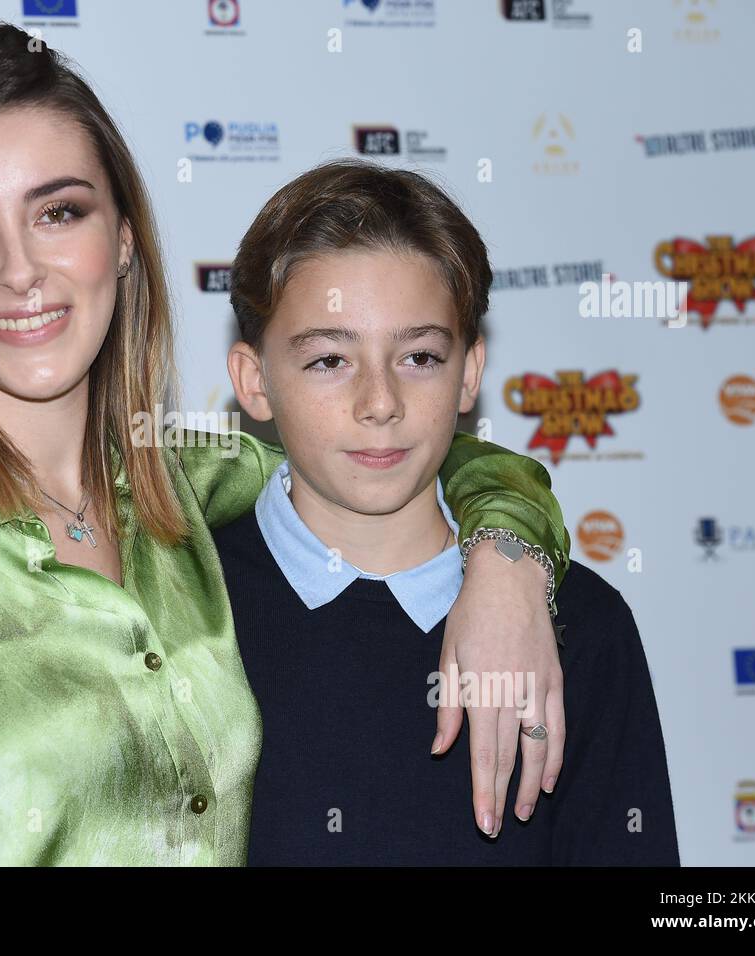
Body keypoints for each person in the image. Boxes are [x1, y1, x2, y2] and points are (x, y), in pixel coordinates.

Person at [0, 23, 571, 866]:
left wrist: (506, 568)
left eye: (57, 212)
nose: (19, 270)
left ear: (121, 239)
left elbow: (402, 455)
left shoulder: (178, 480)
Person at [216, 159, 679, 864]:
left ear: (469, 373)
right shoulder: (184, 605)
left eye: (421, 357)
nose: (381, 402)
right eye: (329, 361)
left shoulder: (581, 625)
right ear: (254, 381)